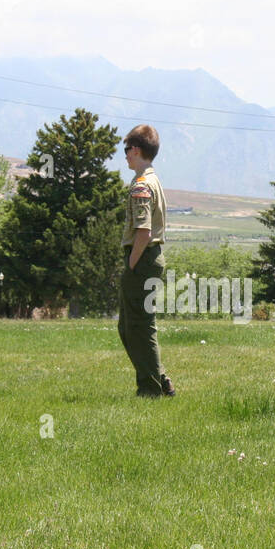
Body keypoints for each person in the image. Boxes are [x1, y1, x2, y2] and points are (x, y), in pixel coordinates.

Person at [118, 124, 175, 397]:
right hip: (147, 257)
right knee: (129, 327)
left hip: (142, 258)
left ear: (137, 150)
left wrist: (131, 264)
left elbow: (143, 232)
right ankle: (159, 378)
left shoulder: (141, 185)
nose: (125, 155)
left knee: (140, 327)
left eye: (126, 149)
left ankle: (150, 389)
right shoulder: (153, 180)